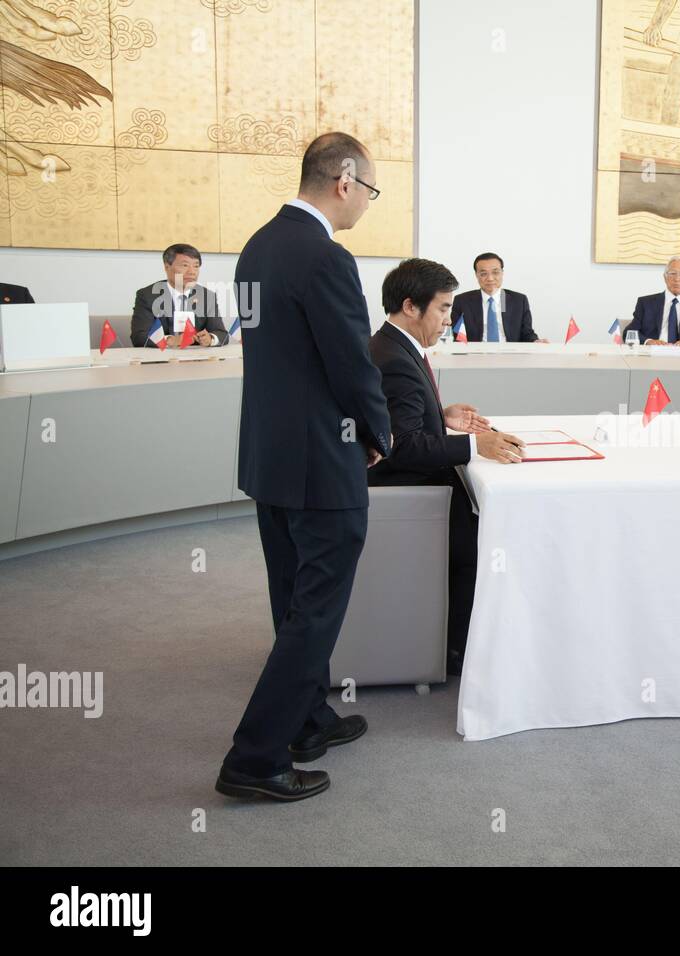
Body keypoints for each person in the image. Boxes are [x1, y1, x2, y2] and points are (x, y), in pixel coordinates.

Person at [216, 132, 393, 803]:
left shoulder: (257, 246)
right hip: (322, 459)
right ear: (345, 180)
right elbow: (352, 363)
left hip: (270, 454)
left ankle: (307, 720)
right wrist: (378, 431)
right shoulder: (325, 257)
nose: (367, 206)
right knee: (316, 610)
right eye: (370, 192)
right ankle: (255, 757)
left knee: (291, 596)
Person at [368, 258, 524, 675]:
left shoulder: (395, 345)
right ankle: (457, 650)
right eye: (443, 309)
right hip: (405, 490)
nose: (449, 321)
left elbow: (405, 420)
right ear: (410, 306)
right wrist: (477, 444)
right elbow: (402, 447)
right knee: (484, 538)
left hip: (413, 481)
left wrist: (443, 415)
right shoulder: (395, 358)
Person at [129, 244, 229, 348]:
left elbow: (222, 334)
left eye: (196, 266)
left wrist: (211, 339)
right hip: (162, 359)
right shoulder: (148, 295)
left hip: (197, 359)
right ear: (167, 267)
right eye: (185, 265)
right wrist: (170, 340)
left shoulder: (207, 296)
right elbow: (139, 337)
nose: (192, 272)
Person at [449, 253, 542, 342]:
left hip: (510, 354)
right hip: (476, 355)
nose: (490, 278)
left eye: (495, 272)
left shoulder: (519, 300)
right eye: (483, 273)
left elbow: (527, 333)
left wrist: (535, 341)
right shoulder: (462, 301)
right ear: (476, 275)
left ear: (502, 273)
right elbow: (458, 336)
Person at [626, 256, 680, 346]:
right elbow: (629, 333)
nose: (677, 279)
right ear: (665, 278)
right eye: (673, 273)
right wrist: (648, 341)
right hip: (652, 354)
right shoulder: (645, 303)